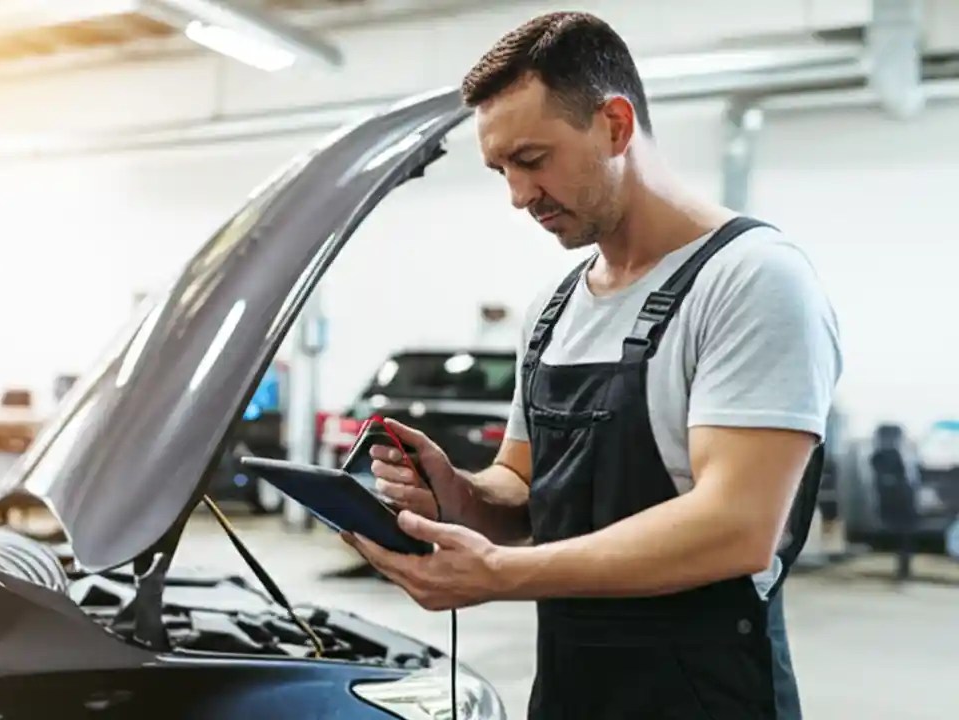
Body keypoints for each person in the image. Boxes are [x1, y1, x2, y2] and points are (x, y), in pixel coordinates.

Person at [343, 11, 843, 720]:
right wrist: (458, 493)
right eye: (502, 170)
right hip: (570, 692)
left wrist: (498, 574)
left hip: (704, 698)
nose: (518, 195)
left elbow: (736, 525)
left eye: (532, 159)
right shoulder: (553, 309)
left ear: (614, 125)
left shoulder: (752, 280)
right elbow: (522, 484)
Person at [869, 424, 920, 582]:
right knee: (905, 537)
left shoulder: (879, 456)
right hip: (902, 501)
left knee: (903, 538)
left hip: (899, 502)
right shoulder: (892, 455)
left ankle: (903, 570)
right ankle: (904, 570)